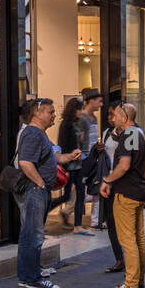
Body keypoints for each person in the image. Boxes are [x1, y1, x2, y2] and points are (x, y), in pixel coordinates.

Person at [14, 98, 81, 288]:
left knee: (34, 234)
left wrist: (68, 157)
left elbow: (53, 156)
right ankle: (30, 278)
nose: (54, 115)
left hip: (37, 190)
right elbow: (25, 163)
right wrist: (40, 183)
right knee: (32, 235)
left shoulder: (39, 134)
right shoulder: (33, 134)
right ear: (37, 113)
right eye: (50, 112)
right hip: (33, 190)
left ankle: (33, 271)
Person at [99, 103, 145, 288]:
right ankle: (138, 281)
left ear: (125, 116)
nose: (113, 119)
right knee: (138, 239)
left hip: (126, 193)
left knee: (127, 240)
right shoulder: (138, 134)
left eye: (117, 115)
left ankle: (131, 284)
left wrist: (107, 179)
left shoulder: (128, 135)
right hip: (139, 191)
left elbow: (124, 165)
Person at [98, 102, 124, 274]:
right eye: (108, 115)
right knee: (112, 222)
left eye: (112, 114)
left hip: (123, 183)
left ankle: (133, 260)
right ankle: (119, 259)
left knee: (126, 224)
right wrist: (98, 149)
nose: (110, 118)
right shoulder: (107, 132)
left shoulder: (132, 133)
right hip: (108, 182)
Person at [57, 97, 90, 232]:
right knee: (66, 196)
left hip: (78, 165)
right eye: (79, 109)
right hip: (70, 165)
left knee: (81, 195)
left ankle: (78, 225)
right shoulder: (65, 125)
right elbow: (63, 146)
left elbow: (78, 143)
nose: (81, 112)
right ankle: (46, 209)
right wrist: (65, 165)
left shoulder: (77, 123)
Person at [79, 87, 103, 230]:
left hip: (93, 157)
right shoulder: (82, 118)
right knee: (84, 190)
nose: (101, 105)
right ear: (91, 101)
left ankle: (95, 220)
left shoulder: (94, 118)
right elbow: (80, 139)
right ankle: (70, 208)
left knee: (96, 188)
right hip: (83, 158)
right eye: (99, 101)